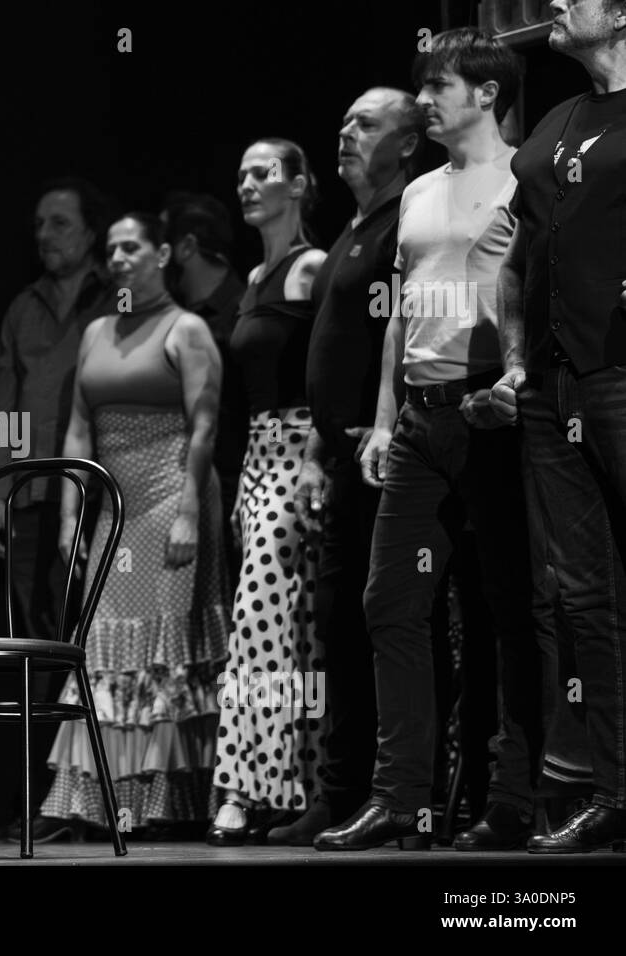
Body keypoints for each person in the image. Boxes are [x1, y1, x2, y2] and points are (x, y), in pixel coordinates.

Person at [316, 27, 543, 852]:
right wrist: (383, 419)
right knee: (389, 603)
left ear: (487, 93)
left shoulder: (526, 176)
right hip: (419, 419)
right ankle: (397, 797)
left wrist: (516, 383)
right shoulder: (416, 192)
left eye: (439, 86)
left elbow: (536, 294)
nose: (424, 102)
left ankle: (513, 797)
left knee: (507, 611)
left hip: (489, 414)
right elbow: (401, 314)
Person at [41, 212, 232, 835]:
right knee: (106, 646)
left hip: (174, 494)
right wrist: (69, 514)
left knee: (167, 648)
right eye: (113, 248)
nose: (120, 258)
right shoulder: (97, 331)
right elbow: (78, 427)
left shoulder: (186, 328)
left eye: (133, 247)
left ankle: (169, 802)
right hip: (115, 509)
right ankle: (101, 800)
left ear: (163, 255)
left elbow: (205, 425)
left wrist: (187, 512)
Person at [267, 88, 424, 846]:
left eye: (366, 123)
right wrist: (314, 453)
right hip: (336, 456)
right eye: (344, 121)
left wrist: (382, 427)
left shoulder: (404, 222)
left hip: (382, 456)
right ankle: (341, 789)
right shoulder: (353, 231)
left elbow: (402, 334)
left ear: (408, 143)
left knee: (381, 623)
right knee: (335, 623)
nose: (346, 131)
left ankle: (399, 797)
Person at [491, 0, 626, 853]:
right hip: (551, 385)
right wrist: (513, 360)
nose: (553, 5)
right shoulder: (553, 124)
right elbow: (514, 258)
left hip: (619, 374)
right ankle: (616, 790)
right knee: (583, 597)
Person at [0, 178, 115, 842]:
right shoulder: (23, 307)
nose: (45, 235)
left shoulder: (114, 298)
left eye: (59, 223)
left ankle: (97, 800)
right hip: (31, 500)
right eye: (39, 224)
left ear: (90, 232)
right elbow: (2, 403)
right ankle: (43, 804)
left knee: (95, 645)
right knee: (39, 649)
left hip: (97, 497)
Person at [207, 139, 329, 845]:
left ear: (299, 184)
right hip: (257, 458)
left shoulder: (311, 267)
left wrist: (317, 457)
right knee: (280, 622)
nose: (248, 184)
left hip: (299, 448)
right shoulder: (254, 278)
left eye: (263, 173)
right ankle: (284, 784)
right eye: (242, 174)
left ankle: (242, 789)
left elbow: (332, 365)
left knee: (262, 620)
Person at [163, 195, 249, 588]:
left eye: (162, 246)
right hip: (176, 486)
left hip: (234, 484)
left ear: (185, 247)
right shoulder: (169, 317)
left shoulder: (245, 311)